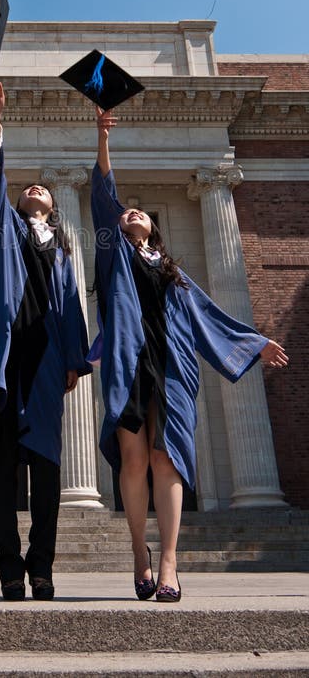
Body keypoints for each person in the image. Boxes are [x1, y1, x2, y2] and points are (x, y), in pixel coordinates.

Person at [90, 107, 288, 603]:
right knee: (133, 461)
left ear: (154, 231)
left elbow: (207, 316)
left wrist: (254, 342)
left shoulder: (174, 274)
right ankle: (140, 551)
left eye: (141, 214)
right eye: (127, 214)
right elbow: (102, 199)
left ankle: (170, 564)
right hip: (130, 363)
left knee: (168, 458)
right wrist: (102, 140)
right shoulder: (115, 255)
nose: (132, 214)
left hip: (172, 366)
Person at [0, 74, 91, 601]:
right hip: (7, 357)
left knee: (46, 470)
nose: (35, 190)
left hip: (46, 362)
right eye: (29, 189)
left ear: (53, 206)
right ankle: (9, 568)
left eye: (41, 190)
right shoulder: (5, 227)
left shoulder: (66, 255)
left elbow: (73, 311)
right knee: (2, 472)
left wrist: (73, 359)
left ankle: (41, 565)